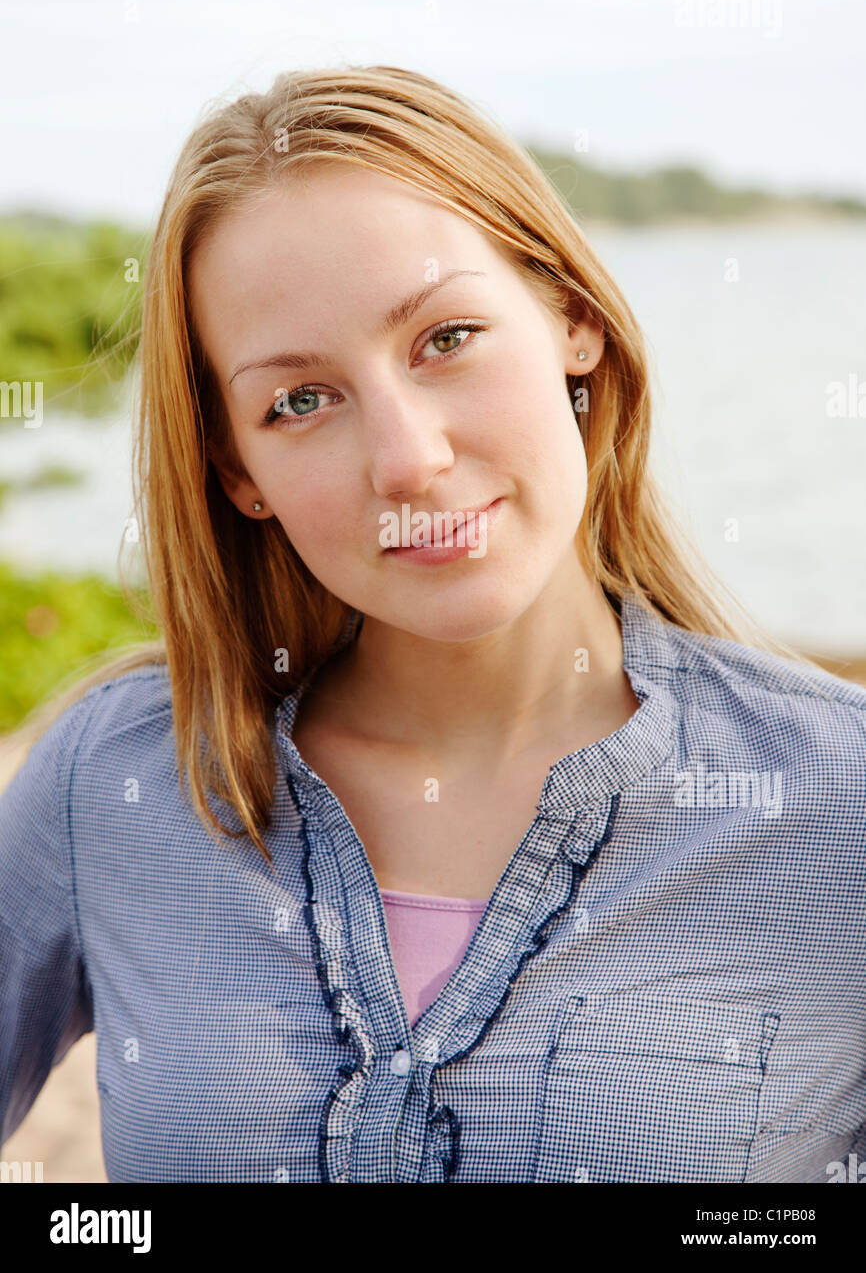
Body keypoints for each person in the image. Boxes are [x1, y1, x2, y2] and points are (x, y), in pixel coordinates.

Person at [1, 65, 864, 1184]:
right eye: (297, 401)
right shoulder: (112, 785)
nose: (407, 456)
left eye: (445, 337)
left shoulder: (835, 804)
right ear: (238, 469)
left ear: (572, 322)